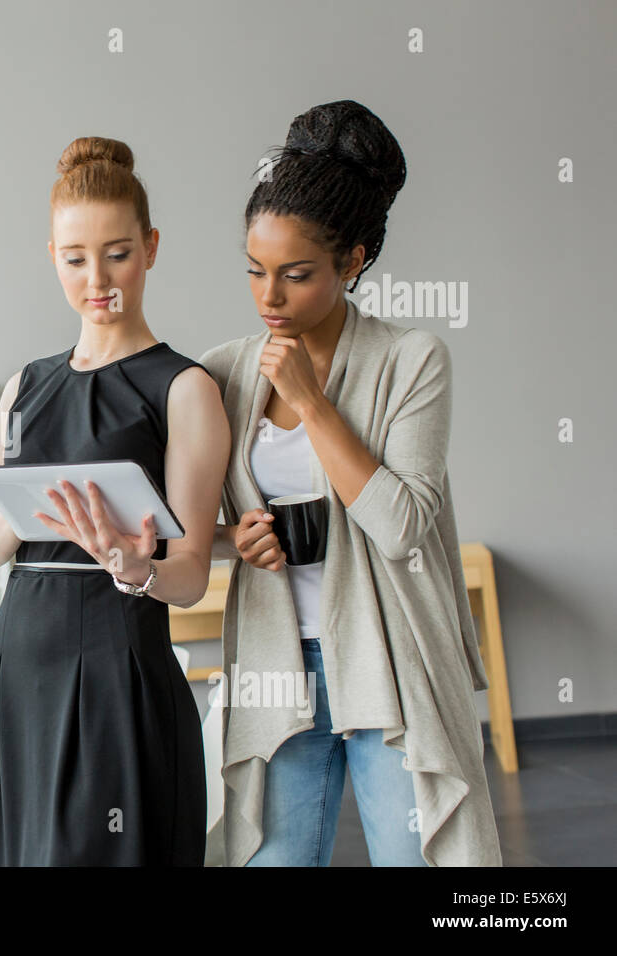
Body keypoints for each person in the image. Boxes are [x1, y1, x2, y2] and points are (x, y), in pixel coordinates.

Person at [200, 100, 502, 866]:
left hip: (389, 658)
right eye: (255, 271)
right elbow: (192, 523)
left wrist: (311, 403)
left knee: (415, 857)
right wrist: (235, 538)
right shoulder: (225, 372)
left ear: (353, 262)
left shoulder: (412, 360)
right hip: (276, 662)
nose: (269, 297)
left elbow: (402, 525)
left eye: (296, 275)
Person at [0, 136, 231, 865]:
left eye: (117, 254)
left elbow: (190, 573)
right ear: (52, 256)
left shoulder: (184, 389)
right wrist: (36, 503)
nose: (97, 279)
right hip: (18, 673)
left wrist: (133, 566)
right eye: (76, 259)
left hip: (118, 668)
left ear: (150, 248)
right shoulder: (26, 386)